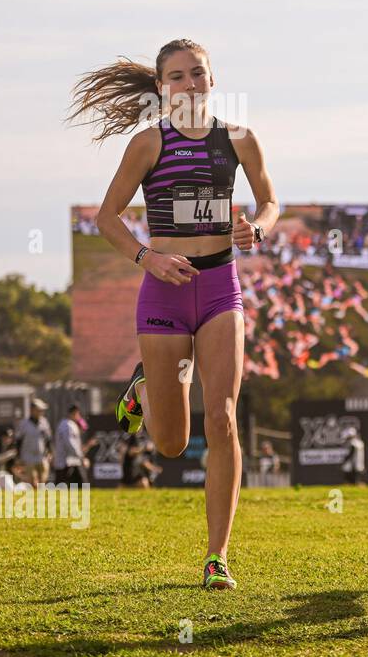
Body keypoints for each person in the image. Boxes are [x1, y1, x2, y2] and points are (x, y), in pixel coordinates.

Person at [70, 37, 280, 591]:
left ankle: (217, 557)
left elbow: (270, 202)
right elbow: (107, 217)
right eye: (180, 76)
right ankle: (144, 392)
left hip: (219, 287)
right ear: (163, 87)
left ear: (213, 79)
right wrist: (149, 258)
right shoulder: (148, 143)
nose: (191, 83)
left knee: (224, 418)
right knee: (170, 443)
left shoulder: (239, 139)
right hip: (163, 292)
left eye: (199, 73)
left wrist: (257, 228)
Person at [53, 404, 95, 485]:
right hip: (66, 462)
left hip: (71, 461)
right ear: (75, 413)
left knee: (78, 486)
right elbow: (71, 445)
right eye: (78, 414)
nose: (79, 416)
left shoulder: (68, 424)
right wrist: (82, 458)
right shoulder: (67, 425)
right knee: (68, 487)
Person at [16, 399, 52, 487]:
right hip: (28, 456)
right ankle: (35, 498)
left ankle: (40, 497)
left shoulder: (44, 422)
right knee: (32, 481)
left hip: (42, 455)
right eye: (39, 410)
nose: (41, 412)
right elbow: (18, 441)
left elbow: (48, 439)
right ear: (32, 410)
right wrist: (18, 457)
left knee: (43, 479)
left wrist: (50, 452)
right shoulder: (23, 424)